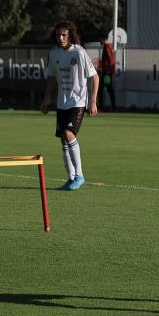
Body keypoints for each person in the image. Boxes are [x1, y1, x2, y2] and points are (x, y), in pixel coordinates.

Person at [41, 21, 98, 191]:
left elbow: (94, 77)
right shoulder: (54, 54)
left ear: (70, 35)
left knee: (68, 133)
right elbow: (51, 77)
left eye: (64, 35)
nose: (61, 37)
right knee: (63, 141)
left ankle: (79, 176)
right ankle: (70, 178)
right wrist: (46, 99)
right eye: (58, 34)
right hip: (61, 102)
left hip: (78, 102)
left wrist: (93, 101)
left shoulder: (79, 52)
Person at [98, 34, 117, 111]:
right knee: (109, 90)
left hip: (106, 73)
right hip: (107, 72)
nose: (100, 41)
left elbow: (110, 59)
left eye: (101, 39)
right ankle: (113, 108)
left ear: (104, 39)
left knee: (101, 90)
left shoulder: (107, 47)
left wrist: (108, 70)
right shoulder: (109, 46)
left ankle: (101, 107)